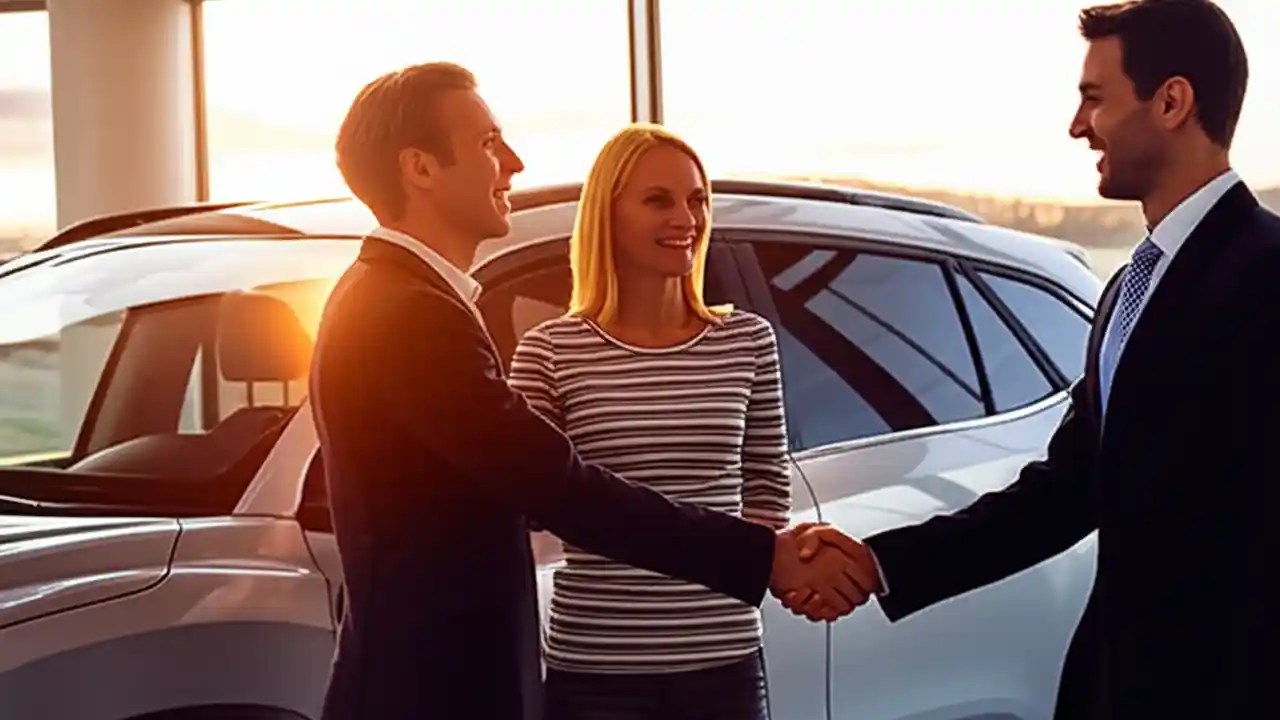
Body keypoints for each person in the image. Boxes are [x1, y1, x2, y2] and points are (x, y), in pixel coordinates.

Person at [308, 63, 875, 720]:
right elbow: (557, 487)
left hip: (440, 685)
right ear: (421, 168)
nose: (513, 163)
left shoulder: (397, 298)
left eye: (695, 200)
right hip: (438, 693)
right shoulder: (411, 313)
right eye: (490, 143)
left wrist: (764, 552)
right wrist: (761, 557)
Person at [798, 1, 1280, 717]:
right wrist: (881, 562)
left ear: (1172, 101)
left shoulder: (1268, 274)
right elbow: (1070, 489)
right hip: (1116, 687)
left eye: (1095, 99)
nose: (1078, 126)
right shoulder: (1129, 289)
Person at [507, 124, 790, 720]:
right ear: (607, 216)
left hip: (725, 664)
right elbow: (529, 498)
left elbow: (766, 485)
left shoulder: (747, 341)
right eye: (658, 199)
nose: (686, 217)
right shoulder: (549, 351)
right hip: (595, 671)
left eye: (695, 199)